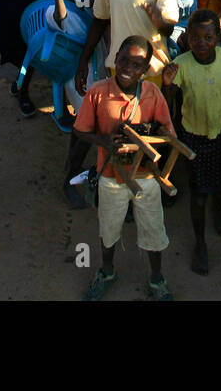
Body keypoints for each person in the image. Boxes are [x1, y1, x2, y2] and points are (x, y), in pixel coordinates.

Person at [74, 37, 178, 301]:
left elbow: (168, 131)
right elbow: (80, 130)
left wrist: (156, 133)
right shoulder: (98, 92)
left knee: (153, 228)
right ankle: (106, 271)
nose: (128, 67)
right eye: (124, 59)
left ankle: (157, 278)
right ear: (115, 57)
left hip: (145, 177)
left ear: (145, 69)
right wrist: (103, 142)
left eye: (137, 63)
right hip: (111, 176)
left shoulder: (152, 94)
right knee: (108, 229)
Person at [159, 10, 221, 274]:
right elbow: (170, 100)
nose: (201, 42)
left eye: (208, 36)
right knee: (198, 193)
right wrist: (167, 84)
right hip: (193, 135)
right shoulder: (181, 65)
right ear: (187, 38)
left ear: (218, 37)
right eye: (195, 37)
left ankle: (219, 211)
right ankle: (200, 243)